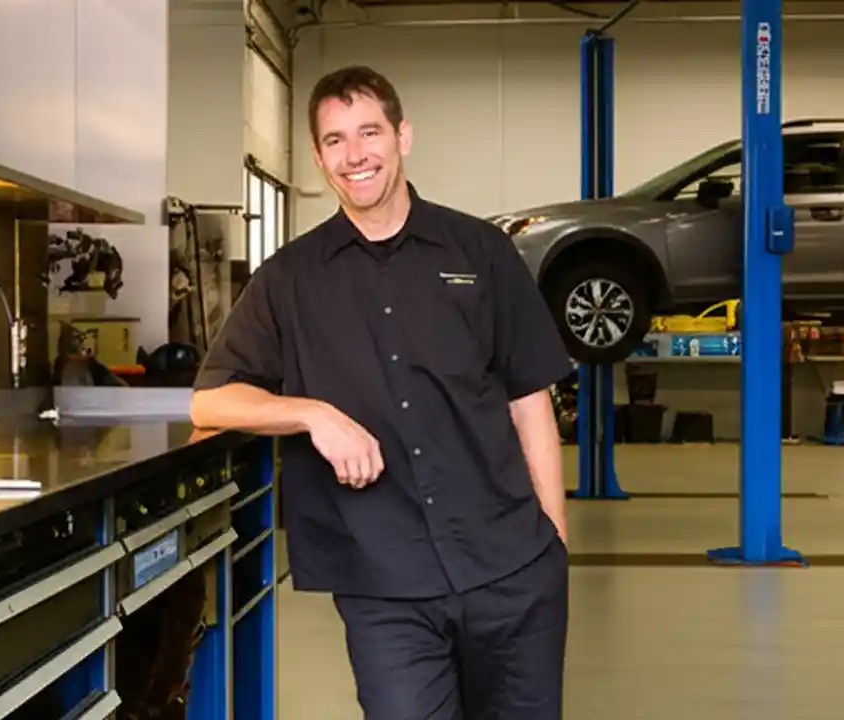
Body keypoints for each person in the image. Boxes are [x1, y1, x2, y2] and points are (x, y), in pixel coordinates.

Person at [190, 65, 573, 719]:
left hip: (511, 565)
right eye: (334, 140)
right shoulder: (291, 278)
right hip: (382, 580)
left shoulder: (480, 251)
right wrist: (312, 414)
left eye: (369, 132)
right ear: (317, 156)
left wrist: (554, 547)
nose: (354, 154)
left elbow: (528, 399)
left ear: (403, 136)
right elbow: (210, 400)